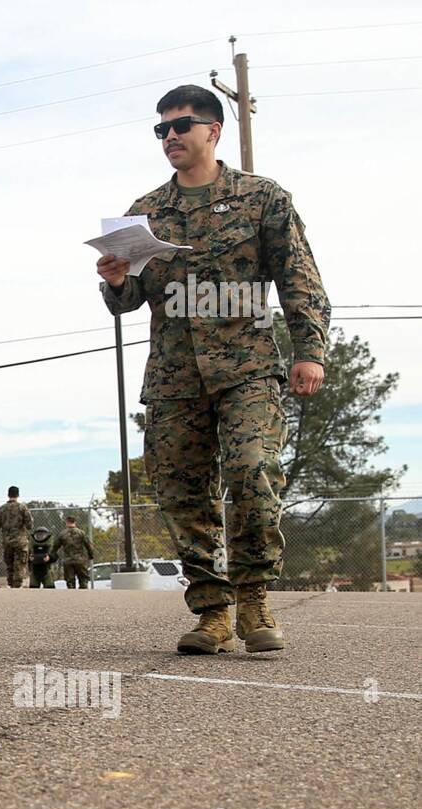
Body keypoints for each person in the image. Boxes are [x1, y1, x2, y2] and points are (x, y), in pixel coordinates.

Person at [96, 85, 329, 654]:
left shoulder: (261, 198)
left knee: (253, 472)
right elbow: (131, 302)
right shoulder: (146, 213)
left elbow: (299, 278)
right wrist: (117, 279)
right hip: (175, 377)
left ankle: (253, 602)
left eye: (181, 126)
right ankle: (212, 613)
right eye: (162, 130)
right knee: (181, 492)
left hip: (247, 368)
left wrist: (310, 350)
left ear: (213, 131)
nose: (170, 136)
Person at [0, 487, 32, 588]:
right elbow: (29, 525)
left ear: (8, 495)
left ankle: (11, 584)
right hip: (20, 541)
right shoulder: (23, 508)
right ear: (18, 495)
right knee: (20, 564)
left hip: (7, 541)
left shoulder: (1, 509)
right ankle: (17, 585)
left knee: (10, 565)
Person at [51, 515, 95, 589]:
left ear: (67, 522)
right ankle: (83, 596)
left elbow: (55, 547)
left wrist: (52, 555)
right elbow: (89, 545)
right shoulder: (81, 533)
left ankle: (72, 597)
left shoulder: (62, 534)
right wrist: (91, 555)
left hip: (68, 560)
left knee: (70, 581)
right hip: (80, 560)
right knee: (83, 580)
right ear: (75, 522)